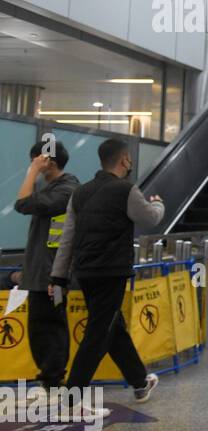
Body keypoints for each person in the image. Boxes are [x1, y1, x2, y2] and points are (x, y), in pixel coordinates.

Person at [49, 138, 164, 407]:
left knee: (113, 326)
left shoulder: (80, 193)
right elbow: (150, 218)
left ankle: (140, 383)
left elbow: (67, 238)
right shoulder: (126, 190)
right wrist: (157, 203)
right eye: (129, 159)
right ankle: (72, 395)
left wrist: (58, 277)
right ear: (124, 159)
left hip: (85, 272)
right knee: (100, 331)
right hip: (111, 271)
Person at [13, 140, 80, 401]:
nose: (33, 166)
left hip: (53, 273)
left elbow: (22, 204)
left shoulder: (67, 190)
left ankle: (54, 382)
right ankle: (48, 381)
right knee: (40, 327)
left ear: (48, 161)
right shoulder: (52, 187)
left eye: (36, 160)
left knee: (51, 328)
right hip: (41, 270)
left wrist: (32, 172)